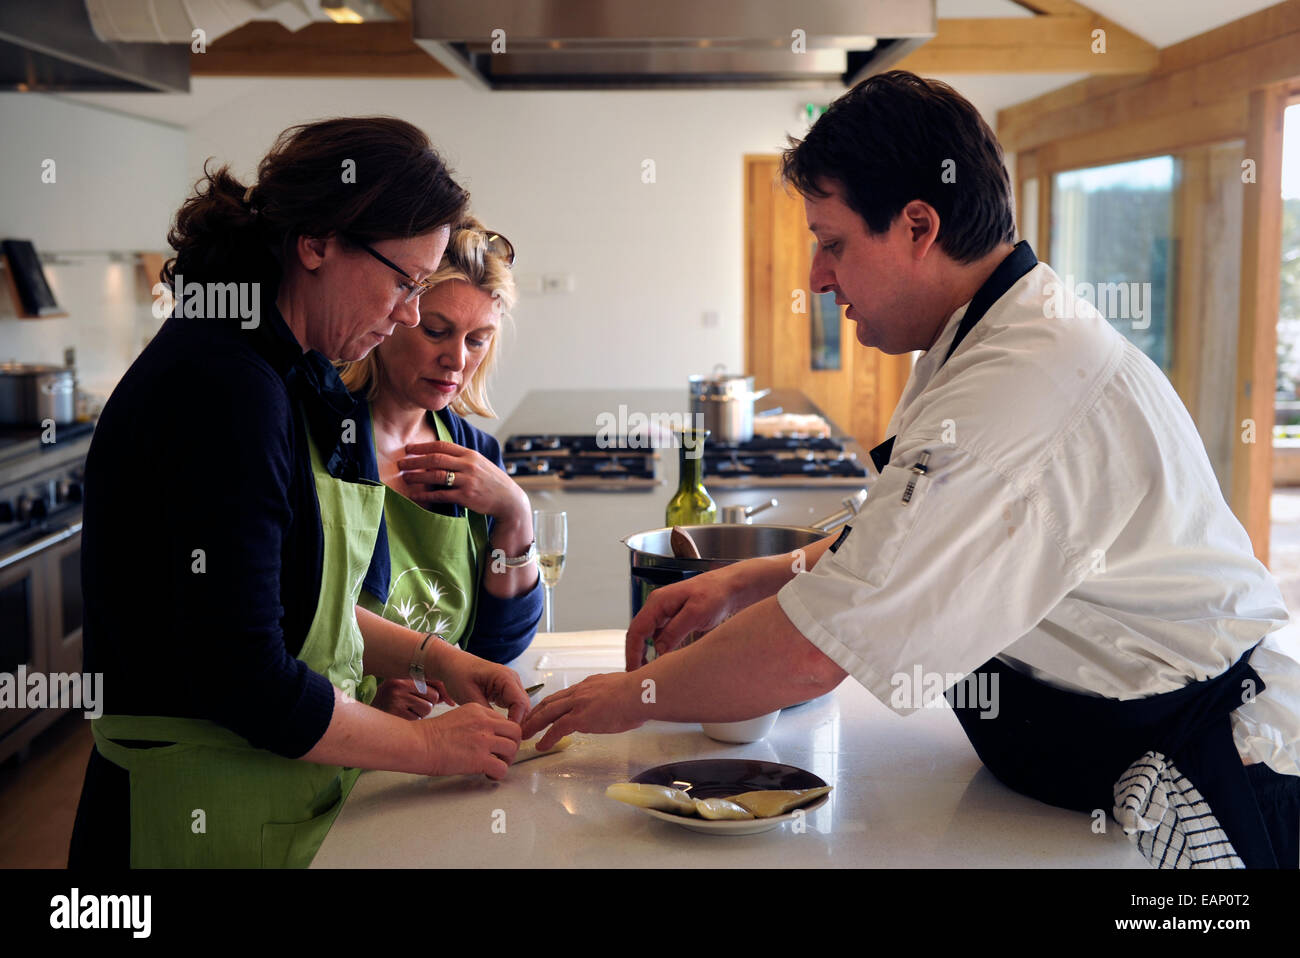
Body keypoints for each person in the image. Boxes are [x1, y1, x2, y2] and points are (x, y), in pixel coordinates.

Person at [522, 71, 1300, 868]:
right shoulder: (985, 336)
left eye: (833, 244)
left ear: (918, 224)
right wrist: (750, 579)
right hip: (1073, 764)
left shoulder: (1020, 389)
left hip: (1200, 769)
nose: (818, 280)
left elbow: (815, 651)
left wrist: (630, 697)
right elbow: (905, 538)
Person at [69, 117, 528, 869]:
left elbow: (296, 599)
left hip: (268, 791)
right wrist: (426, 745)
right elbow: (244, 676)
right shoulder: (224, 387)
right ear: (318, 242)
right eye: (404, 284)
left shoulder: (285, 371)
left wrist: (430, 656)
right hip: (193, 809)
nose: (409, 314)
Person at [336, 218, 542, 720]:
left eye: (477, 340)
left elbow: (499, 646)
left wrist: (515, 513)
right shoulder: (328, 443)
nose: (455, 360)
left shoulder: (475, 452)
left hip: (445, 736)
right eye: (437, 331)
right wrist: (364, 700)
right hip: (340, 740)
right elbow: (302, 621)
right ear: (394, 315)